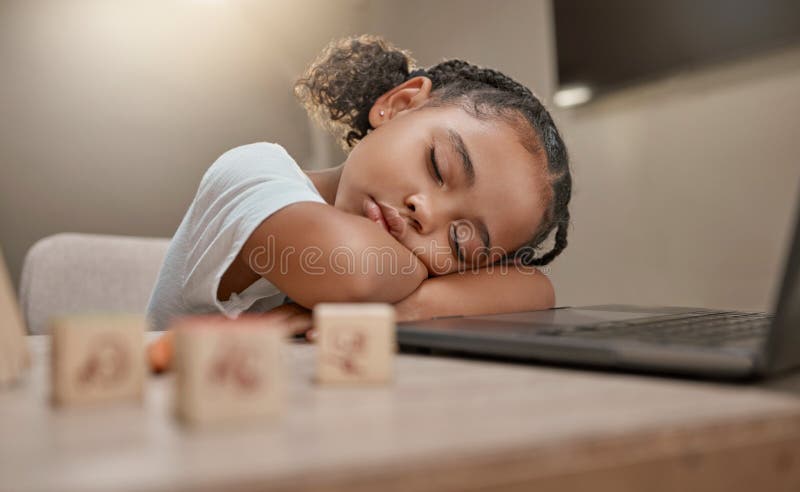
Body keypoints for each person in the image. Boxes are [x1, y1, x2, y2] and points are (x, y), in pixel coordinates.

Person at [145, 34, 572, 371]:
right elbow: (354, 272)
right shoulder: (251, 171)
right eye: (438, 167)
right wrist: (440, 281)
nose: (427, 215)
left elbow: (536, 287)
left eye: (461, 243)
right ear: (399, 104)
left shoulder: (398, 274)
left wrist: (402, 310)